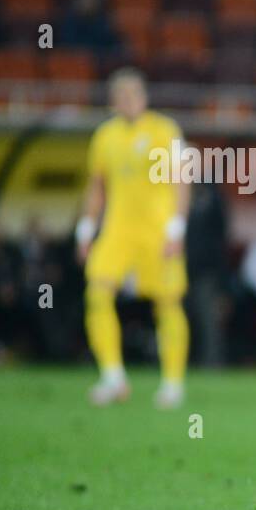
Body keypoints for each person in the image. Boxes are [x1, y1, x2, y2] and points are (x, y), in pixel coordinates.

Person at [75, 69, 189, 407]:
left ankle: (172, 382)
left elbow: (181, 181)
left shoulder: (164, 130)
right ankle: (112, 376)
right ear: (113, 102)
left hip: (157, 231)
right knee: (97, 292)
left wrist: (176, 229)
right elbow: (97, 186)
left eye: (134, 95)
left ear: (144, 97)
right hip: (117, 230)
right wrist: (85, 229)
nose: (129, 102)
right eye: (122, 96)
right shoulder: (105, 136)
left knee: (167, 301)